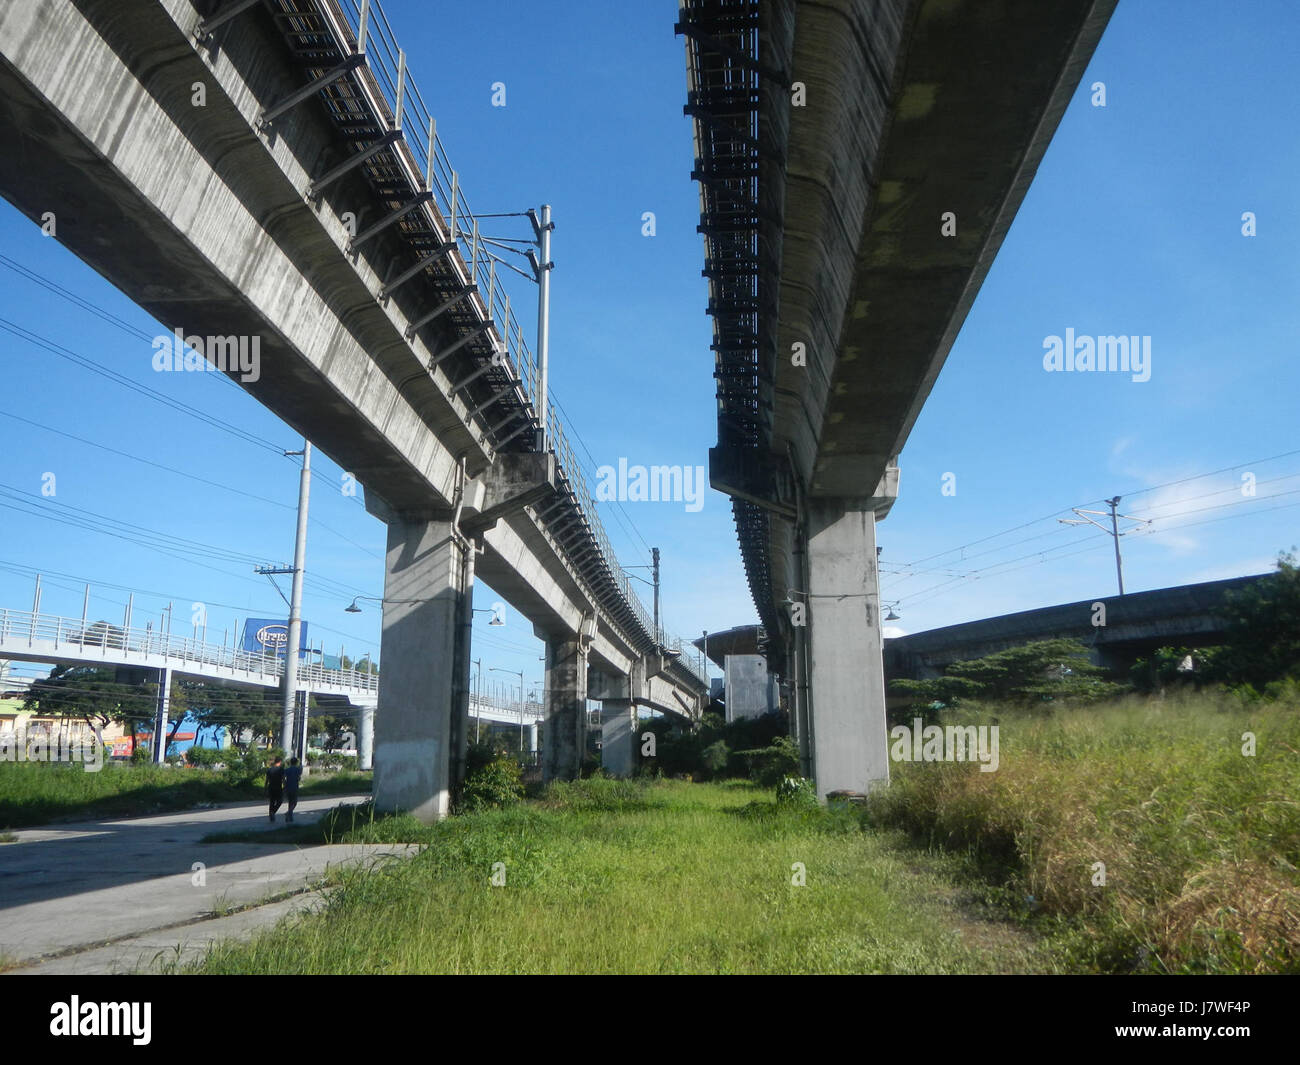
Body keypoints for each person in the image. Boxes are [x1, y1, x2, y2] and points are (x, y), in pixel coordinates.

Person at [266, 756, 285, 822]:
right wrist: (285, 786)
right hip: (278, 787)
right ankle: (273, 812)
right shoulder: (281, 769)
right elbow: (283, 779)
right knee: (280, 801)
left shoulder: (269, 769)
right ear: (280, 762)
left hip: (271, 787)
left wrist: (265, 788)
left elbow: (267, 780)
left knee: (272, 802)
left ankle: (271, 817)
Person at [284, 756, 303, 822]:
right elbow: (299, 778)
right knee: (294, 802)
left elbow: (284, 778)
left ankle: (290, 817)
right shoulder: (298, 769)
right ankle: (289, 813)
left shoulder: (287, 769)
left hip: (288, 787)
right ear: (296, 762)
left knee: (290, 802)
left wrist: (285, 784)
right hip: (294, 787)